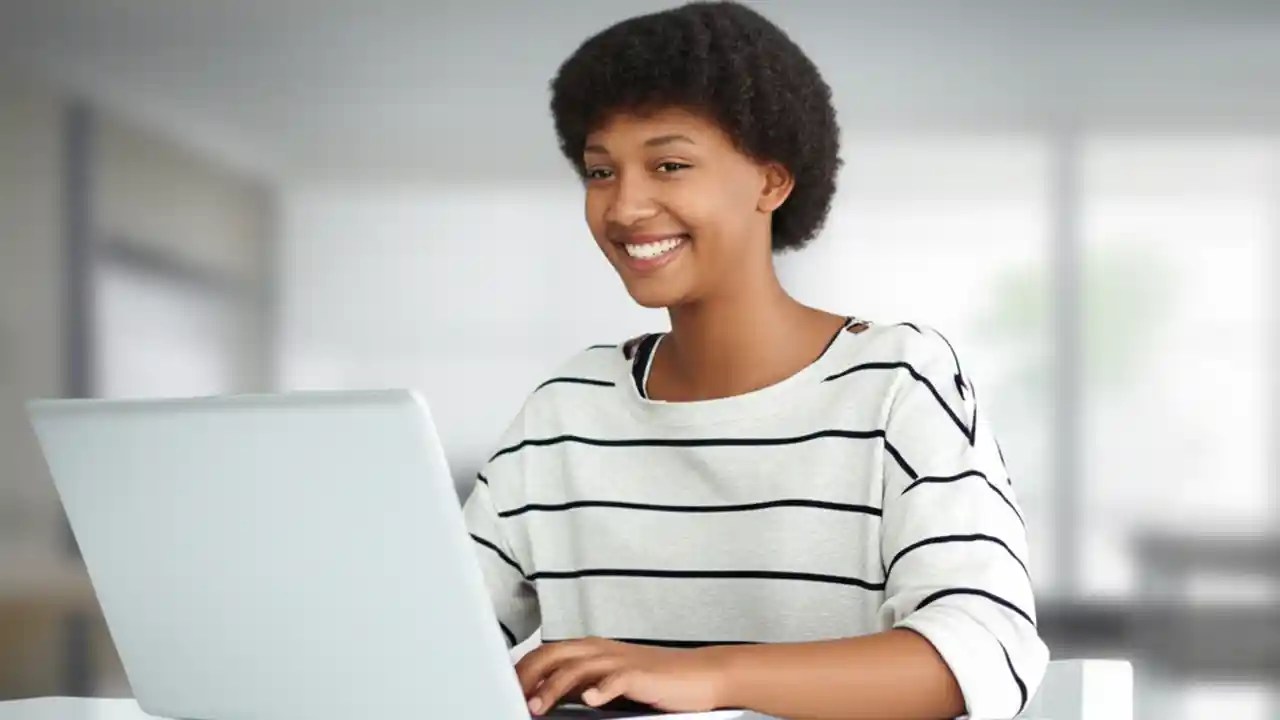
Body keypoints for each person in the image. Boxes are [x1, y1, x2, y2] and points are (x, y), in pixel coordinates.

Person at [462, 2, 1048, 718]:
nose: (623, 207)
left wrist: (706, 678)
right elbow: (432, 638)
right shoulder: (564, 414)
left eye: (669, 165)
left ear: (772, 182)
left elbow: (986, 649)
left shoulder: (897, 383)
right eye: (600, 171)